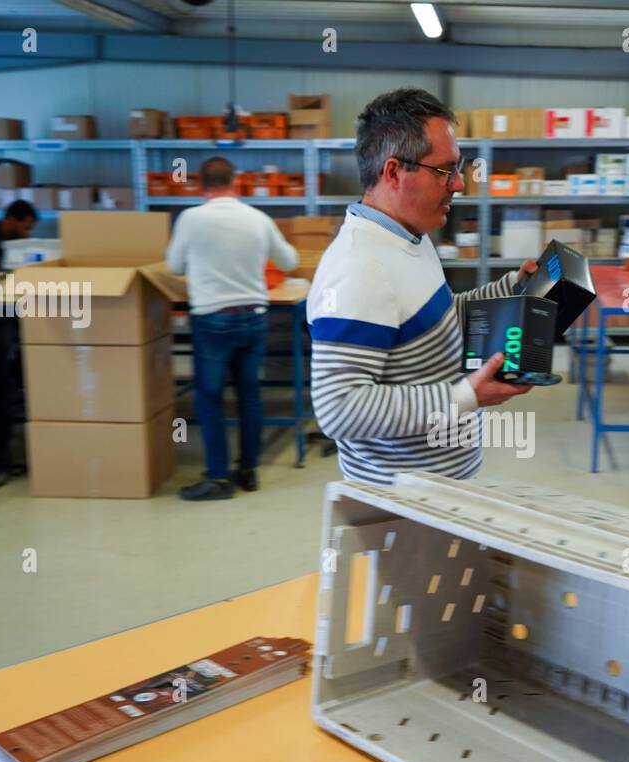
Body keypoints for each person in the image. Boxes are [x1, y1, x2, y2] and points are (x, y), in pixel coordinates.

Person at [307, 87, 538, 486]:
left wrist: (510, 288)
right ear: (394, 171)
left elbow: (436, 319)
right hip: (400, 503)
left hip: (438, 489)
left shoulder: (410, 237)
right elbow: (338, 409)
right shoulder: (360, 267)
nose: (460, 185)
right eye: (444, 171)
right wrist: (466, 396)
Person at [166, 156, 299, 501]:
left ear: (200, 185)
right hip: (254, 316)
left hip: (212, 319)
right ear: (236, 183)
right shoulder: (258, 218)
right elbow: (290, 262)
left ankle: (218, 478)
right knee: (249, 396)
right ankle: (248, 471)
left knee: (210, 398)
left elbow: (173, 264)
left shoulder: (191, 219)